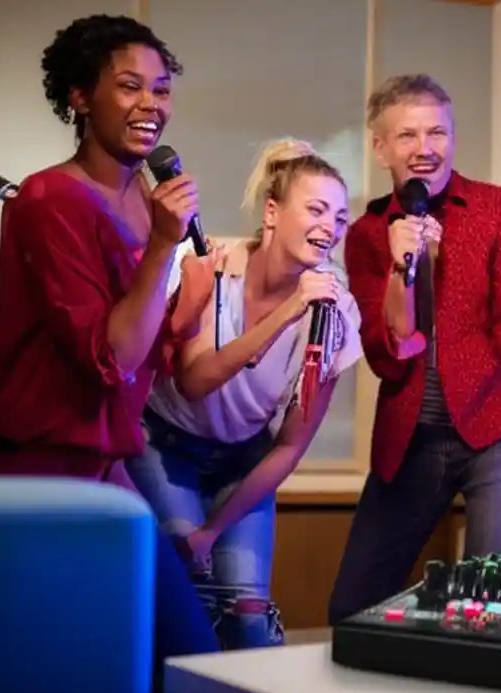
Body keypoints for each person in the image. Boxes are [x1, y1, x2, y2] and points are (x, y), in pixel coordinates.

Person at [0, 12, 219, 689]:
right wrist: (162, 247)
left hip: (108, 473)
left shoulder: (146, 205)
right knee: (42, 685)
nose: (151, 104)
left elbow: (149, 363)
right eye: (130, 85)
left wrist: (193, 296)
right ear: (79, 96)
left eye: (161, 89)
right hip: (31, 481)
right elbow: (110, 357)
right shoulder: (47, 200)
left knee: (190, 664)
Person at [329, 74, 501, 623]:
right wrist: (403, 269)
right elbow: (385, 356)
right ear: (381, 147)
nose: (424, 149)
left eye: (438, 133)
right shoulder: (365, 234)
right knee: (351, 605)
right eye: (407, 136)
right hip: (413, 437)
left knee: (487, 606)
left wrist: (468, 395)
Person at [126, 138, 362, 648]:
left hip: (244, 461)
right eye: (317, 210)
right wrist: (285, 315)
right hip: (166, 445)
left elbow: (290, 445)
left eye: (340, 218)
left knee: (249, 621)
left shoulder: (333, 310)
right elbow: (193, 382)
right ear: (273, 212)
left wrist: (214, 531)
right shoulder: (213, 265)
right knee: (188, 608)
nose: (330, 227)